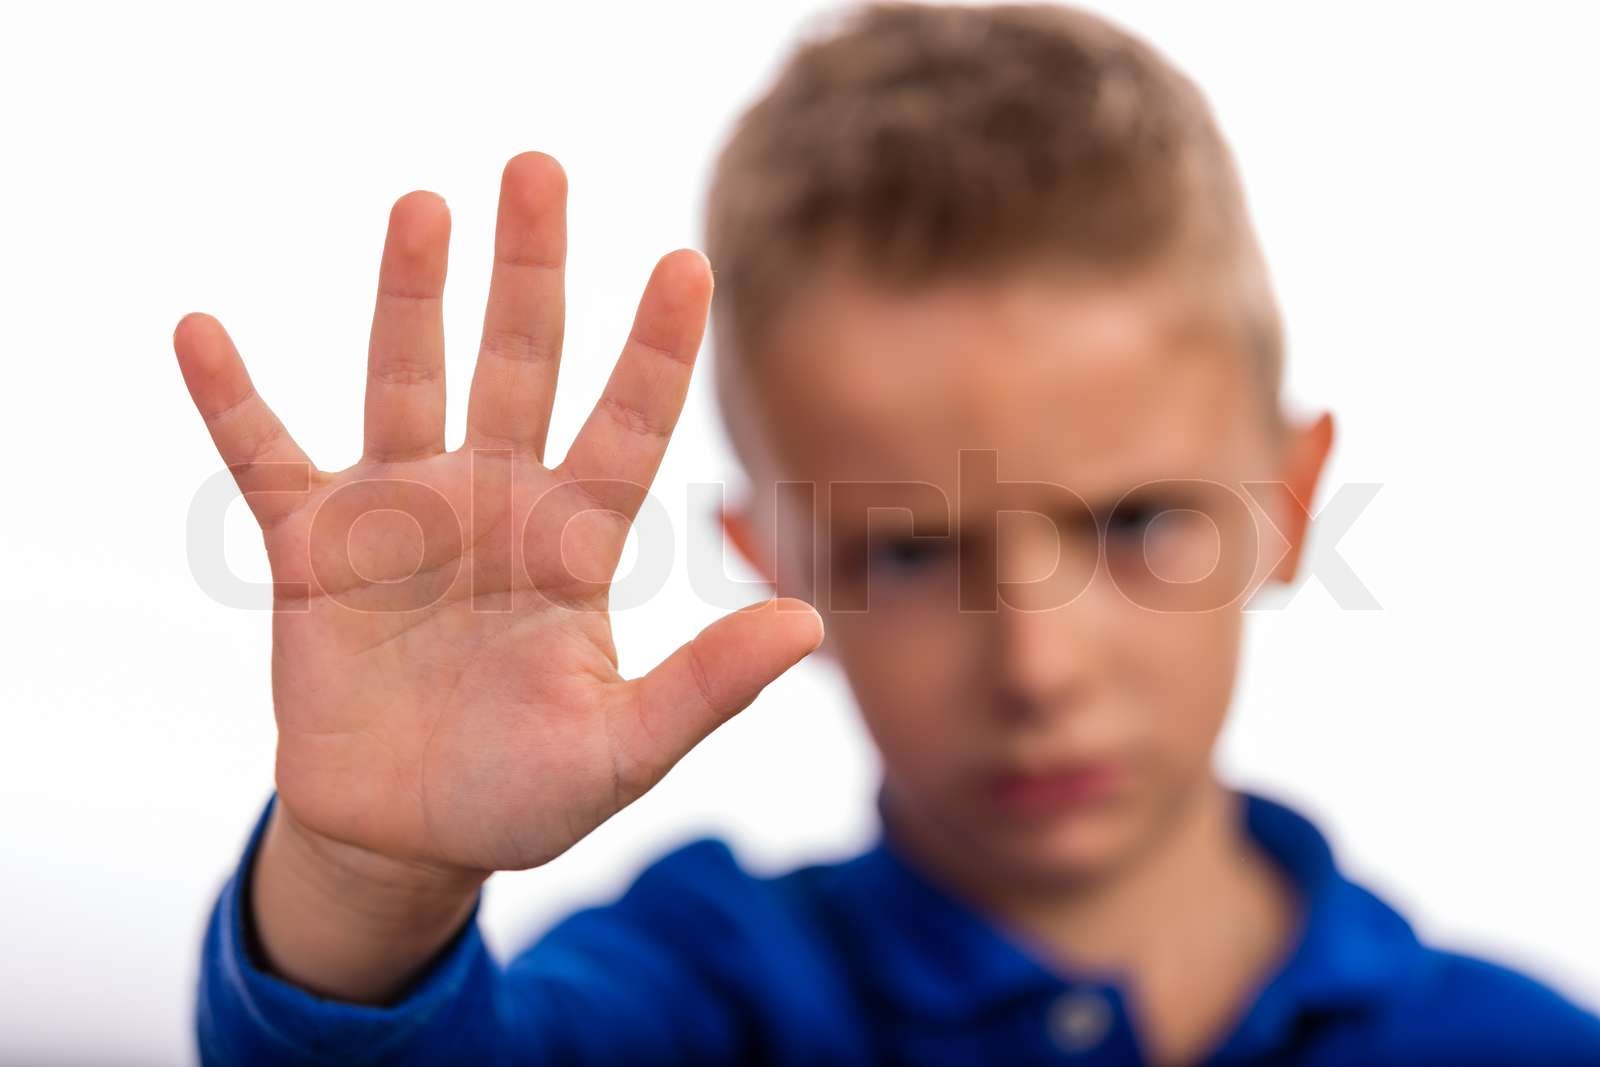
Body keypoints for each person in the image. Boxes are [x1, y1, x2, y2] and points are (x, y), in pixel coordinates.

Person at [178, 4, 1600, 1064]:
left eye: (1137, 523)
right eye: (910, 554)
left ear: (1291, 506)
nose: (1038, 669)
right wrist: (371, 881)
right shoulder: (704, 996)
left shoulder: (1519, 1046)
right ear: (775, 567)